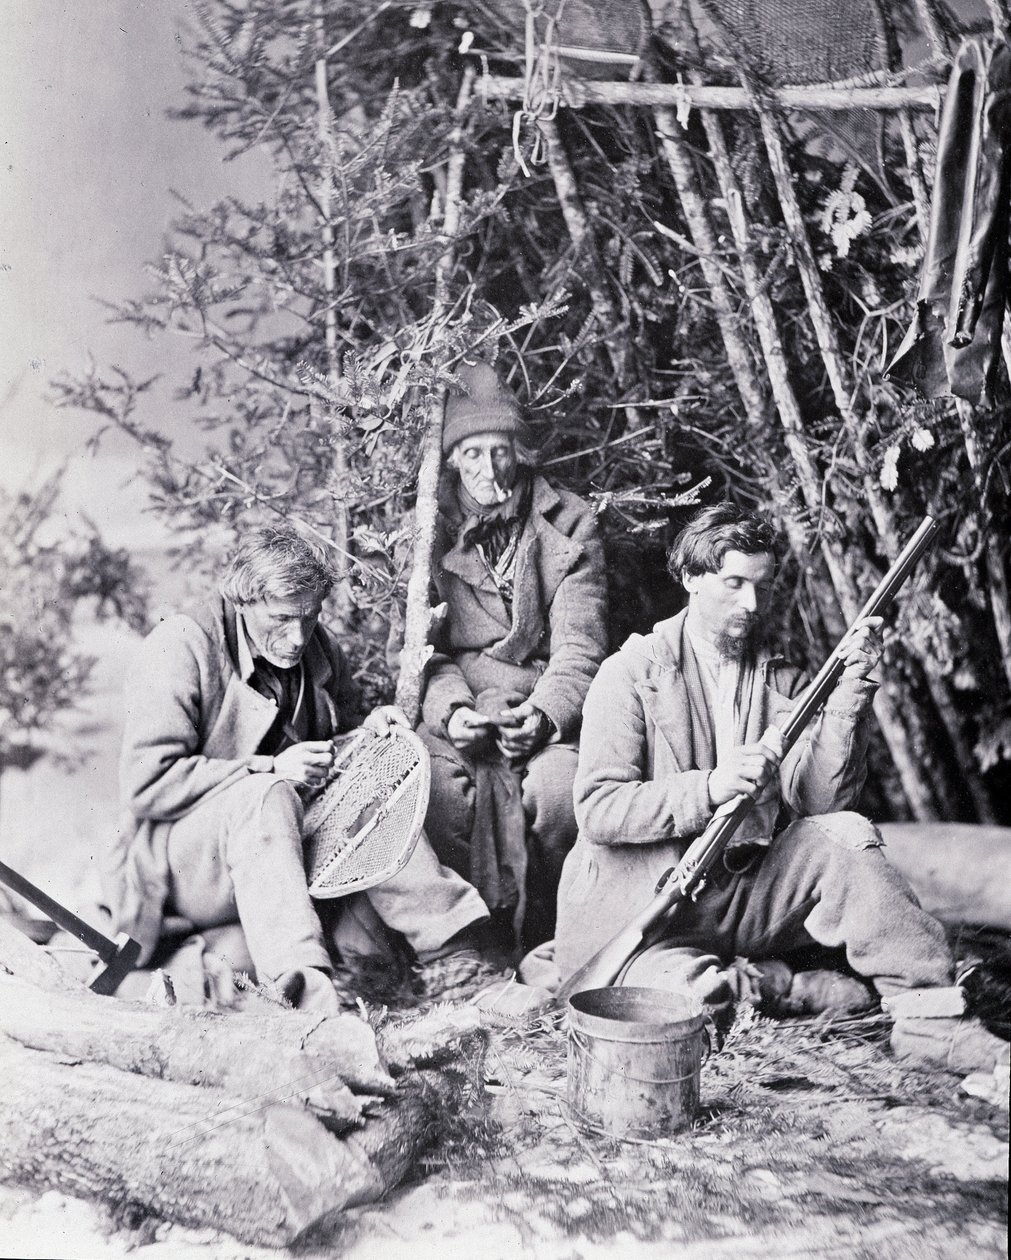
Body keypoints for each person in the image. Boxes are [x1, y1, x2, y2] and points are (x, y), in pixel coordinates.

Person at [553, 502, 1008, 1071]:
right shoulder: (629, 674)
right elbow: (599, 809)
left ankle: (932, 1023)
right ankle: (773, 984)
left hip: (739, 892)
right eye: (733, 583)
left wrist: (847, 697)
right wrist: (713, 786)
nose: (750, 603)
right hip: (643, 911)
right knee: (684, 1008)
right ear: (692, 579)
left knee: (845, 835)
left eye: (760, 586)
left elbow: (821, 806)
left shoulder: (782, 680)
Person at [105, 525, 490, 1015]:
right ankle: (309, 1003)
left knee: (367, 776)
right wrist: (268, 769)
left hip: (272, 857)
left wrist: (366, 734)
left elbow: (336, 743)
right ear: (242, 601)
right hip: (185, 863)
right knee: (265, 797)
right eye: (283, 619)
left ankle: (457, 964)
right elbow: (147, 786)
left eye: (309, 618)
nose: (296, 637)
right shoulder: (182, 646)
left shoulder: (316, 647)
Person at [417, 359, 608, 952]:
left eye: (499, 451)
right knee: (440, 792)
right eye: (471, 454)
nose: (488, 469)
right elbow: (423, 649)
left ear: (519, 452)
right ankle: (472, 948)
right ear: (451, 461)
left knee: (558, 796)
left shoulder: (570, 522)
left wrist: (546, 715)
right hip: (464, 702)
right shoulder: (430, 528)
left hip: (544, 700)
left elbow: (581, 642)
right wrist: (452, 712)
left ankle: (550, 939)